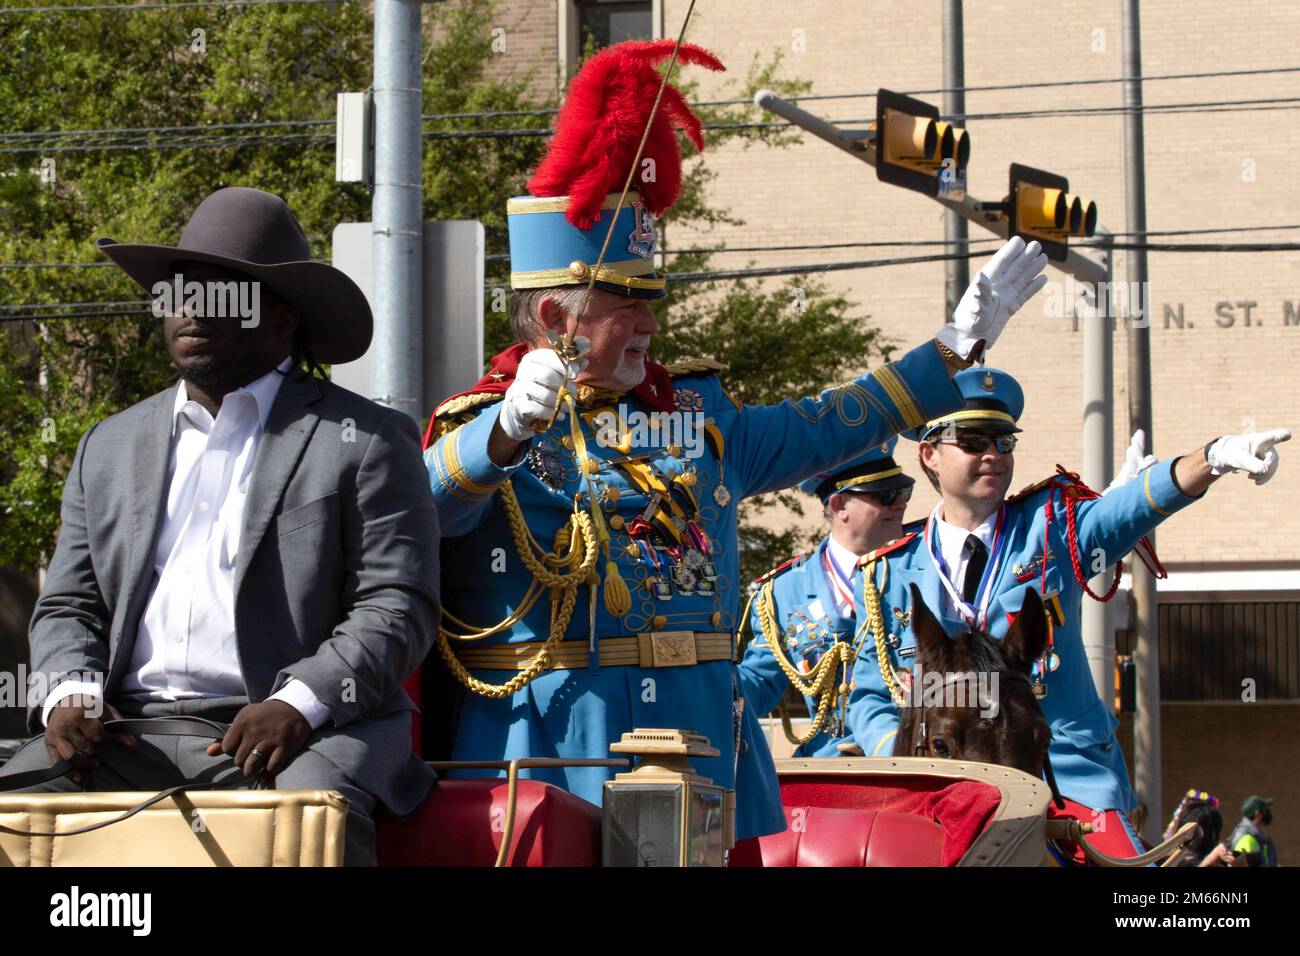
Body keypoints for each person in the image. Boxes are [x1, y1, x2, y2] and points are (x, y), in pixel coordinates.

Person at [422, 40, 1048, 844]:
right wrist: (504, 432)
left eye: (653, 299)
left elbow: (830, 423)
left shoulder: (702, 415)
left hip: (702, 752)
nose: (651, 322)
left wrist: (953, 348)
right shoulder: (475, 427)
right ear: (555, 318)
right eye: (627, 304)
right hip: (549, 753)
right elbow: (417, 515)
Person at [0, 187, 440, 866]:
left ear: (283, 319)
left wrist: (300, 701)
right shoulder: (107, 446)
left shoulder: (367, 439)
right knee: (13, 805)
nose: (190, 309)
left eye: (220, 292)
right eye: (177, 291)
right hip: (123, 734)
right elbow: (67, 603)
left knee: (306, 823)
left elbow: (396, 604)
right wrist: (71, 692)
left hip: (297, 735)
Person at [846, 365, 1290, 859]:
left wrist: (1213, 458)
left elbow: (1133, 508)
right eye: (973, 441)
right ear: (928, 454)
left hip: (1064, 774)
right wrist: (897, 755)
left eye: (1004, 442)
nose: (993, 454)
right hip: (939, 784)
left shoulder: (1053, 525)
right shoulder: (890, 570)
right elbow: (868, 689)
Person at [738, 438, 916, 758]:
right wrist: (704, 681)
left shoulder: (923, 569)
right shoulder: (783, 591)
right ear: (839, 506)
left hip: (906, 757)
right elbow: (760, 684)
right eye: (887, 495)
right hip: (827, 762)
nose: (900, 505)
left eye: (903, 493)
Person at [1230, 795, 1278, 866]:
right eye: (1266, 810)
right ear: (1258, 814)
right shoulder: (1245, 839)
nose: (1268, 813)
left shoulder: (1256, 835)